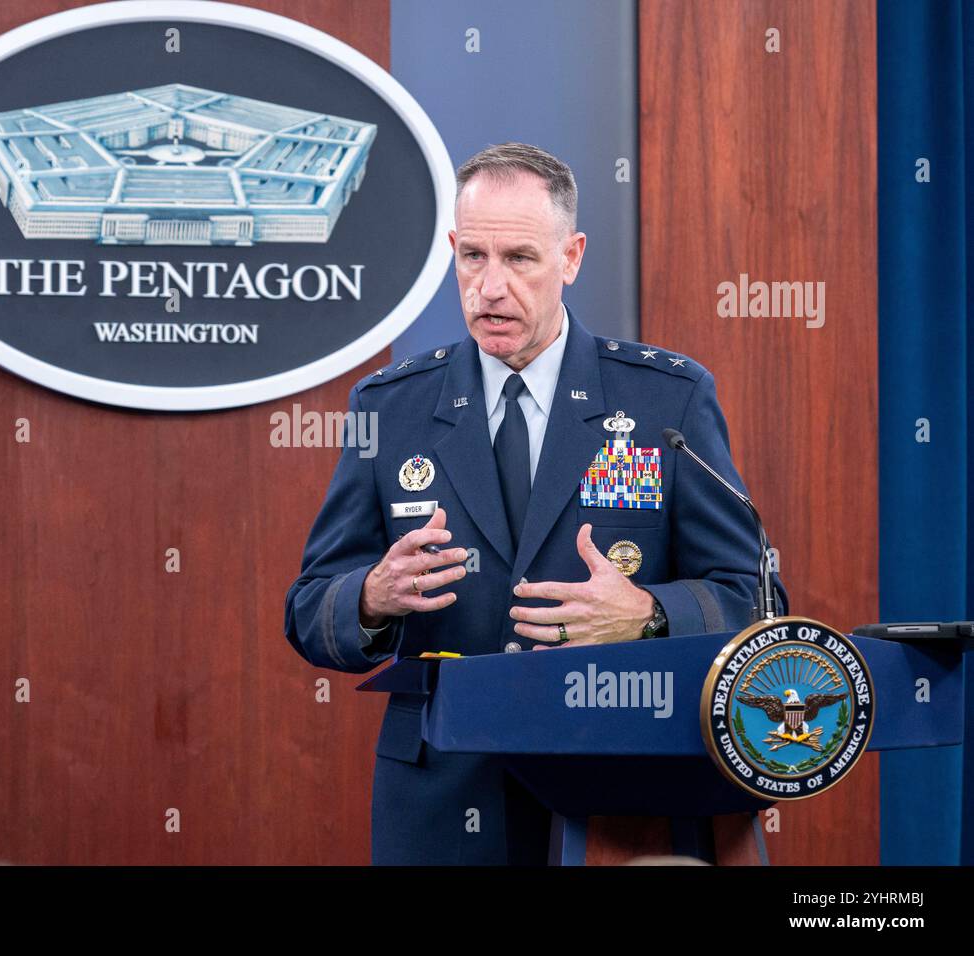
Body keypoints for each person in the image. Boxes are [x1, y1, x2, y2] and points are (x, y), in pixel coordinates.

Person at [284, 142, 786, 865]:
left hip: (615, 796)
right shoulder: (388, 408)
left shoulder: (665, 400)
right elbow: (307, 609)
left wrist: (648, 615)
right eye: (473, 258)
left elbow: (758, 605)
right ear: (453, 251)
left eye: (519, 259)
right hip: (442, 804)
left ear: (571, 258)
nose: (490, 288)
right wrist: (370, 595)